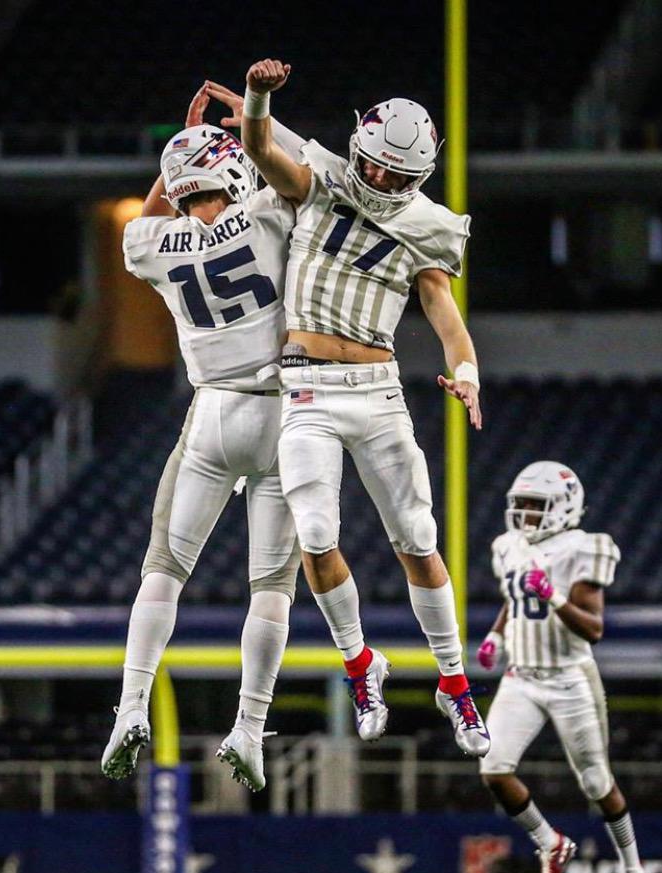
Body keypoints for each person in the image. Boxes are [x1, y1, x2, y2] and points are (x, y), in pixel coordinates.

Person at [233, 59, 489, 757]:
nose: (379, 182)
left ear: (420, 177)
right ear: (358, 151)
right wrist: (258, 95)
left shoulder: (428, 227)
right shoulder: (320, 184)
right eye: (373, 168)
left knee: (417, 536)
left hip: (377, 392)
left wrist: (463, 370)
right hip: (307, 388)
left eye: (396, 176)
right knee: (313, 534)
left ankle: (453, 683)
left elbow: (442, 307)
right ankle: (359, 662)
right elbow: (258, 148)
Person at [101, 87, 302, 792]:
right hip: (282, 411)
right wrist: (251, 125)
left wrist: (175, 158)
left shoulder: (154, 243)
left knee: (164, 568)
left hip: (212, 412)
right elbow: (290, 169)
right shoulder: (267, 213)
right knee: (271, 584)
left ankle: (131, 705)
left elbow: (154, 215)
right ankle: (249, 725)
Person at [476, 461, 648, 873]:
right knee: (493, 768)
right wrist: (497, 636)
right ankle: (550, 842)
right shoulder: (509, 547)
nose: (526, 515)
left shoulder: (584, 548)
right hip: (522, 675)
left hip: (570, 677)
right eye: (522, 505)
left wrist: (554, 596)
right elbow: (516, 601)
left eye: (536, 506)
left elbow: (593, 628)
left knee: (595, 782)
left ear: (564, 506)